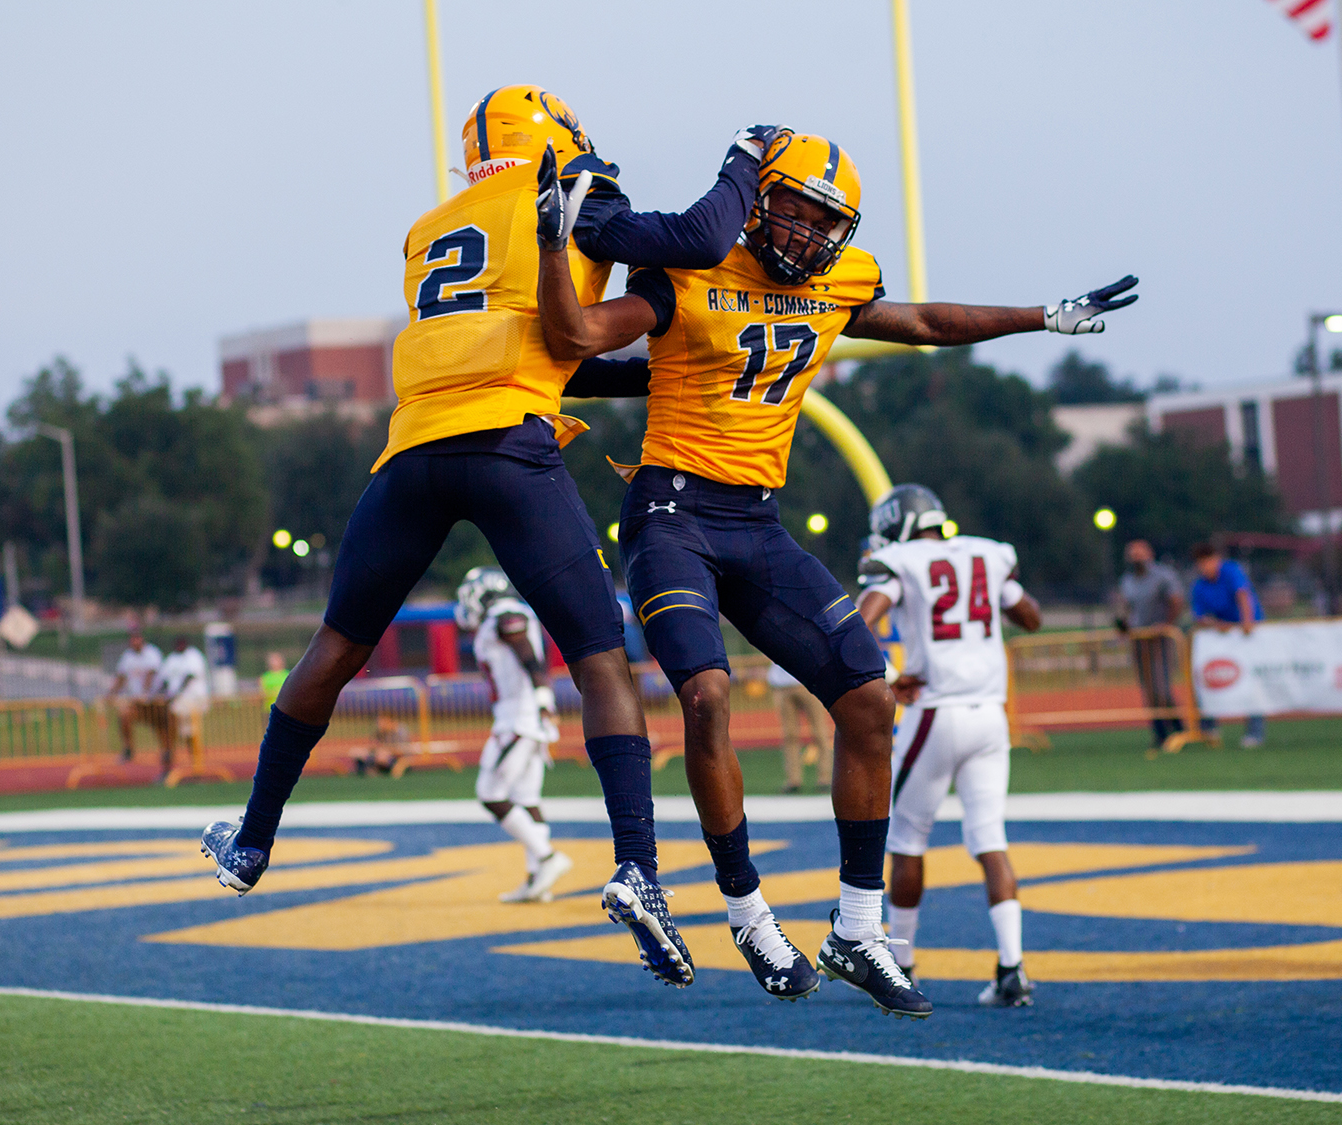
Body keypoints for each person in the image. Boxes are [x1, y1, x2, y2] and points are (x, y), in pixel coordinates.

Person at [537, 130, 1137, 1016]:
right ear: (762, 195)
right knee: (706, 694)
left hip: (758, 519)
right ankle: (747, 911)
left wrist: (1042, 316)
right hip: (672, 515)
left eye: (830, 221)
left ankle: (859, 928)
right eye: (799, 208)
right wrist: (544, 273)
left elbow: (930, 324)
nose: (812, 233)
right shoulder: (690, 270)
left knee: (866, 695)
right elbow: (581, 339)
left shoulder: (839, 283)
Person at [201, 88, 785, 991]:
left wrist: (645, 374)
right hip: (508, 441)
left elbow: (524, 339)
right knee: (599, 660)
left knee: (333, 647)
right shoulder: (571, 189)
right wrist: (744, 162)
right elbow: (699, 239)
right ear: (552, 137)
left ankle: (250, 840)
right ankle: (638, 866)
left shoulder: (429, 227)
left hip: (411, 452)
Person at [854, 485, 1045, 1008]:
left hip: (936, 712)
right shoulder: (988, 552)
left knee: (908, 839)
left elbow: (858, 622)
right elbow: (1031, 616)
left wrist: (892, 673)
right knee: (990, 839)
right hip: (990, 716)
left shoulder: (899, 559)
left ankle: (901, 963)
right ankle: (1012, 968)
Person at [457, 567, 576, 904]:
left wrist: (541, 697)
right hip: (525, 718)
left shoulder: (504, 613)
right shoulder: (504, 616)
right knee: (527, 800)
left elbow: (528, 656)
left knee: (490, 792)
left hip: (517, 720)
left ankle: (548, 858)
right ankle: (538, 880)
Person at [1189, 542, 1266, 748]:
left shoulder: (1231, 571)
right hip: (1221, 638)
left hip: (1246, 635)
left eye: (1207, 561)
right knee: (1206, 677)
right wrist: (1216, 624)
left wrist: (1247, 623)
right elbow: (1199, 616)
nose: (1204, 567)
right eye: (1200, 563)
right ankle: (1209, 730)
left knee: (1252, 681)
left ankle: (1255, 732)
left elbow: (1243, 595)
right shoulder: (1200, 585)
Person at [1114, 540, 1187, 749]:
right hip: (1139, 639)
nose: (1136, 558)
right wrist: (1122, 626)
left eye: (1140, 554)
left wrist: (1165, 625)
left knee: (1161, 687)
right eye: (1132, 555)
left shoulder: (1163, 576)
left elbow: (1176, 600)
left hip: (1160, 639)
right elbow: (1125, 608)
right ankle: (1160, 733)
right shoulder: (1128, 580)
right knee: (1148, 690)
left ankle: (1178, 728)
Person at [769, 663, 831, 794]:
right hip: (782, 686)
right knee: (789, 735)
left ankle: (825, 778)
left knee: (819, 732)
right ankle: (793, 781)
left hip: (808, 683)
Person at [107, 629, 165, 763]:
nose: (134, 642)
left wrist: (145, 693)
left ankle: (165, 751)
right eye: (132, 640)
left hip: (153, 700)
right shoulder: (127, 657)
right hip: (137, 701)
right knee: (124, 716)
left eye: (137, 639)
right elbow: (121, 677)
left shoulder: (152, 653)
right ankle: (128, 749)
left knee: (161, 725)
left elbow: (151, 675)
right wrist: (110, 694)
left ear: (142, 639)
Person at [157, 635, 209, 774]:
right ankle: (185, 762)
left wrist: (173, 694)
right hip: (178, 701)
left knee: (190, 733)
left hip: (192, 699)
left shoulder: (193, 656)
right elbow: (164, 680)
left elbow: (189, 677)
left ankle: (195, 765)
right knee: (184, 733)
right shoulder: (171, 659)